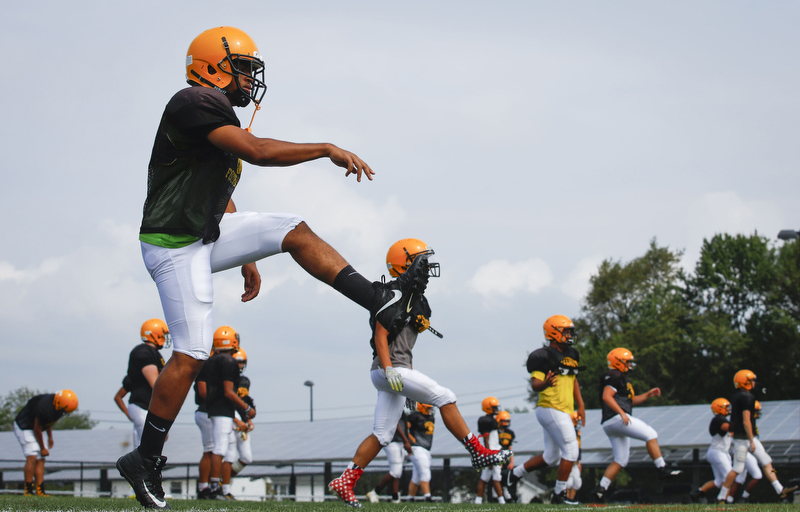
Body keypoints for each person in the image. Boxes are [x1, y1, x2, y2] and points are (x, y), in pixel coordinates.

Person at [116, 26, 392, 509]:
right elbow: (258, 152)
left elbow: (216, 186)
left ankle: (378, 300)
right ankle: (145, 460)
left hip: (202, 235)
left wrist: (245, 254)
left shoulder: (215, 114)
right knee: (191, 353)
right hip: (173, 246)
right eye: (242, 67)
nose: (249, 78)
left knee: (292, 230)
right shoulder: (192, 100)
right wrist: (325, 148)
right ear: (211, 66)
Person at [328, 239, 512, 508]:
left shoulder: (419, 302)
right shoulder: (392, 294)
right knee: (445, 396)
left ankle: (346, 480)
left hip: (396, 371)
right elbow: (381, 336)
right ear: (406, 264)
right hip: (387, 370)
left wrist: (407, 384)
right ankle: (478, 451)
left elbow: (405, 348)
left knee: (382, 435)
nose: (427, 268)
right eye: (422, 261)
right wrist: (390, 368)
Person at [507, 315, 586, 505]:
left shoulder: (572, 354)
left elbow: (573, 379)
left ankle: (514, 475)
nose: (569, 335)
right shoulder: (543, 356)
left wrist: (581, 404)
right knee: (571, 450)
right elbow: (535, 384)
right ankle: (559, 495)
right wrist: (545, 383)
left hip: (564, 410)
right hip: (550, 407)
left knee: (551, 457)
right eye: (566, 331)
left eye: (570, 331)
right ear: (554, 332)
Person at [592, 348, 681, 503]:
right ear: (618, 362)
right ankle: (662, 468)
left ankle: (601, 488)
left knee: (621, 459)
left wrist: (648, 395)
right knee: (651, 434)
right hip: (616, 418)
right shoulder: (614, 375)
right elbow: (607, 397)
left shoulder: (621, 378)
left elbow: (630, 401)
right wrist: (621, 413)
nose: (629, 364)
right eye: (627, 361)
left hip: (610, 422)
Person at [717, 370, 796, 503]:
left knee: (766, 461)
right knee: (738, 468)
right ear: (745, 382)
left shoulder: (736, 396)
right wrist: (752, 440)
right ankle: (721, 497)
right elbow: (746, 420)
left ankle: (780, 490)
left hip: (740, 437)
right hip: (745, 438)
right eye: (752, 380)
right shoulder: (747, 398)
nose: (754, 383)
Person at [204, 328, 254, 500]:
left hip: (215, 408)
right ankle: (214, 488)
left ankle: (219, 488)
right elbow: (228, 392)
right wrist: (246, 409)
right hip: (223, 409)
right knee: (220, 449)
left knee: (224, 449)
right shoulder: (228, 361)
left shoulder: (211, 361)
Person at [115, 319, 169, 448]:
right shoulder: (144, 352)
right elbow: (156, 385)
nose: (165, 338)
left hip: (146, 408)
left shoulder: (152, 354)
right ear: (155, 334)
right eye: (163, 334)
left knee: (145, 449)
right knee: (146, 450)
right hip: (142, 407)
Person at [14, 390, 78, 496]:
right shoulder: (44, 407)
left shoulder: (59, 407)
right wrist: (43, 447)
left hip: (37, 427)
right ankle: (28, 490)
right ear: (58, 403)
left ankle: (40, 490)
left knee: (41, 459)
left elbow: (47, 422)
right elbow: (37, 428)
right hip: (24, 426)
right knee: (32, 457)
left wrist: (50, 437)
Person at [221, 348, 255, 499]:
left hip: (240, 420)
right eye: (237, 362)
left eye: (242, 362)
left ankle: (223, 479)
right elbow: (226, 401)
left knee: (247, 457)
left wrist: (248, 420)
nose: (240, 365)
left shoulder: (244, 381)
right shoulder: (226, 379)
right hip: (228, 418)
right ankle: (223, 487)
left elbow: (245, 402)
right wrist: (236, 420)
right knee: (229, 454)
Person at [691, 398, 733, 502]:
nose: (728, 409)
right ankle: (723, 500)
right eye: (726, 407)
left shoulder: (723, 419)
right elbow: (728, 428)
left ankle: (697, 493)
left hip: (720, 452)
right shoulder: (718, 419)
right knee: (729, 477)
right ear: (720, 408)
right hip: (718, 452)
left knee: (719, 481)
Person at [366, 412, 412, 504]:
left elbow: (405, 427)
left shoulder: (403, 412)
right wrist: (406, 441)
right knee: (395, 471)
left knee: (397, 472)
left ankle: (395, 497)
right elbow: (396, 425)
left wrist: (406, 440)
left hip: (399, 442)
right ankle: (375, 492)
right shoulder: (393, 408)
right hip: (392, 441)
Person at [728, 401, 764, 503]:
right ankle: (744, 498)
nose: (757, 413)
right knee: (757, 475)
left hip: (740, 450)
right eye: (755, 411)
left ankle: (729, 499)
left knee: (740, 478)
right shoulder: (744, 422)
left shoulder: (747, 421)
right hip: (742, 450)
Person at [475, 397, 505, 505]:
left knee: (485, 478)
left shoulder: (492, 419)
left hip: (494, 451)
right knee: (496, 477)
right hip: (491, 452)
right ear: (488, 408)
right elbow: (486, 439)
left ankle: (478, 500)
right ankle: (502, 501)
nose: (496, 409)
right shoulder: (486, 420)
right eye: (494, 407)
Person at [407, 403, 435, 502]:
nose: (430, 410)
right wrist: (410, 439)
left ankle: (410, 498)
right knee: (425, 473)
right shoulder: (415, 416)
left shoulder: (430, 417)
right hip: (417, 448)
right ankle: (428, 497)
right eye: (428, 408)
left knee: (416, 476)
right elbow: (404, 428)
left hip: (426, 449)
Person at [496, 410, 516, 502]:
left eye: (507, 421)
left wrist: (512, 461)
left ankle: (508, 497)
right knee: (496, 478)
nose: (506, 423)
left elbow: (510, 447)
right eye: (504, 421)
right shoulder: (495, 432)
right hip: (497, 457)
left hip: (506, 458)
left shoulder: (510, 432)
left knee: (505, 478)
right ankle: (495, 497)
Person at [565, 412, 583, 502]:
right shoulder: (568, 432)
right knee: (568, 482)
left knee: (577, 482)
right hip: (568, 458)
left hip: (576, 460)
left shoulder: (577, 433)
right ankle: (565, 498)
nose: (577, 422)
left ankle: (570, 500)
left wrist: (578, 460)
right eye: (576, 420)